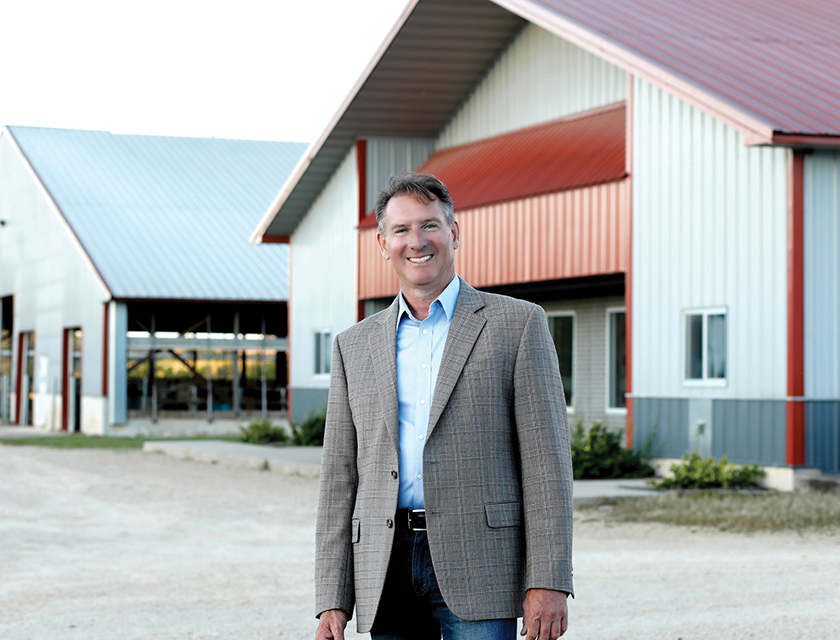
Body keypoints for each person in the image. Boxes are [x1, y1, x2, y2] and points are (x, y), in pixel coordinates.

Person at [314, 172, 574, 640]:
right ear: (383, 243)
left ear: (453, 232)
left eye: (429, 225)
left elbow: (547, 465)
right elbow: (339, 478)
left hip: (482, 561)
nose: (417, 241)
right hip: (385, 566)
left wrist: (548, 579)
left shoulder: (517, 325)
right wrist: (332, 597)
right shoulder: (353, 345)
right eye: (401, 229)